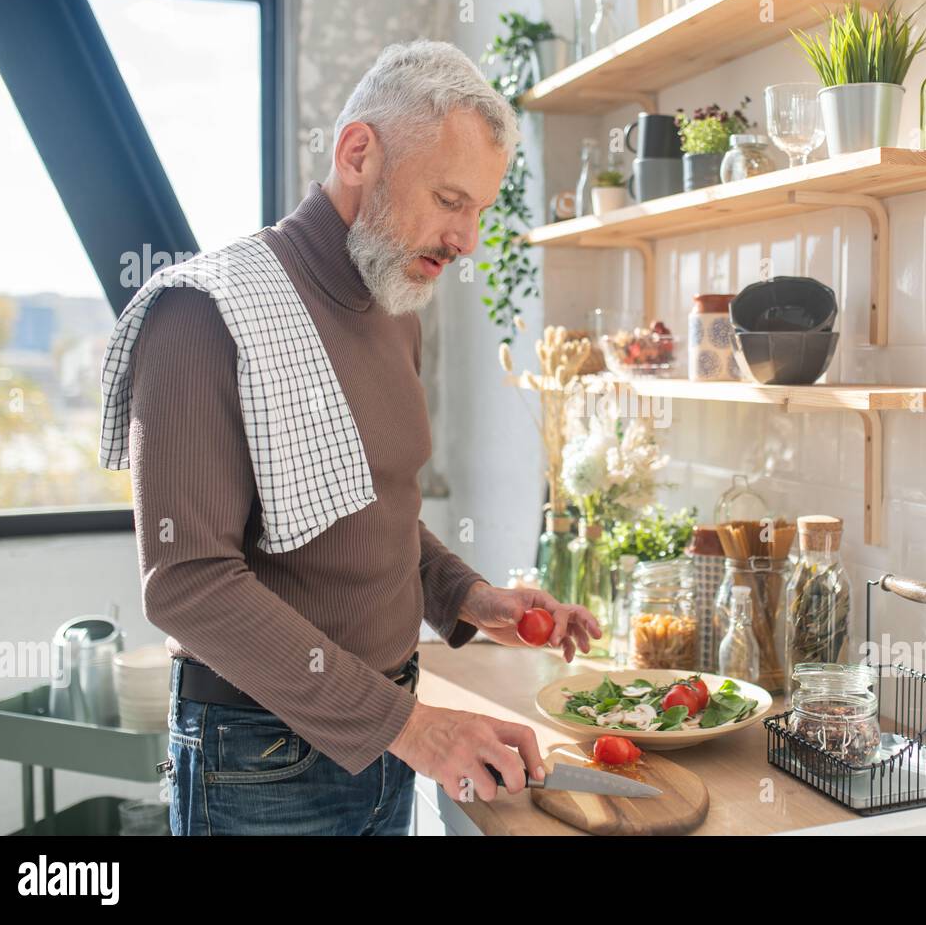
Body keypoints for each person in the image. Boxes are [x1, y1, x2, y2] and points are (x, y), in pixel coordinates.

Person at [118, 40, 600, 835]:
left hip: (386, 735)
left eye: (479, 209)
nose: (468, 238)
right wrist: (415, 728)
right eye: (450, 199)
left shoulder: (392, 308)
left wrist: (469, 597)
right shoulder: (203, 312)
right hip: (262, 763)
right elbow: (186, 582)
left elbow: (365, 506)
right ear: (357, 153)